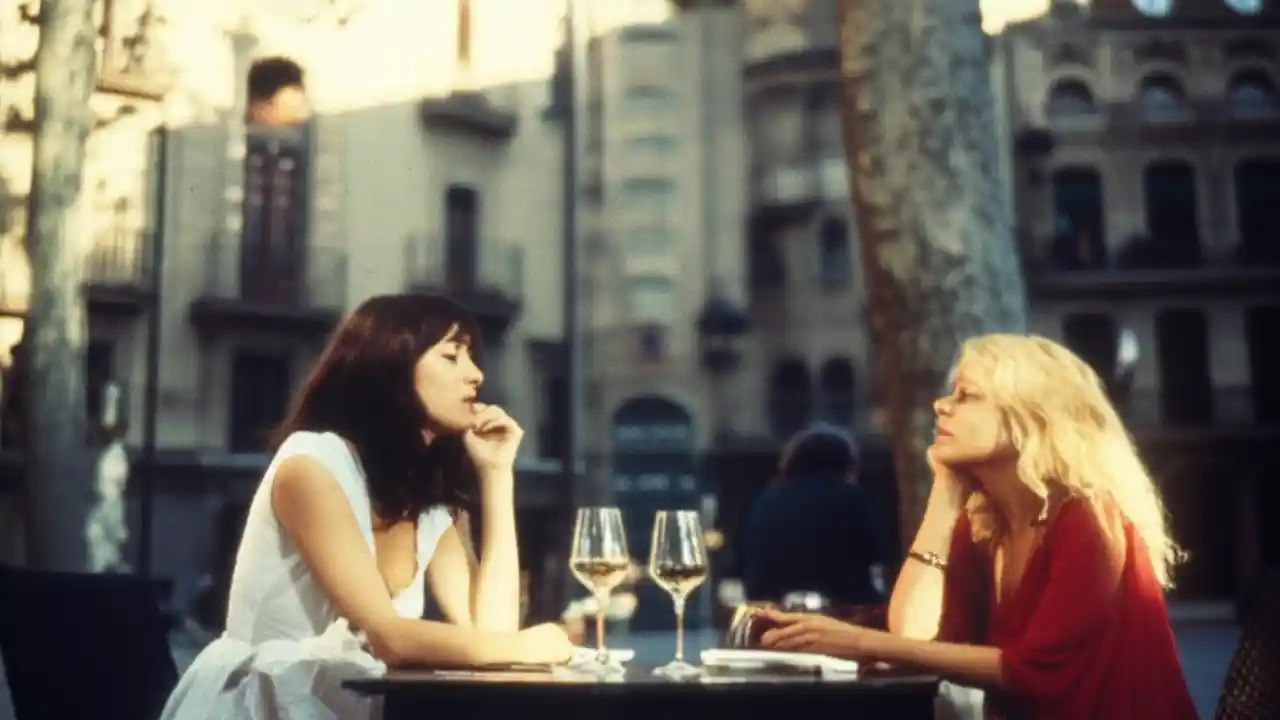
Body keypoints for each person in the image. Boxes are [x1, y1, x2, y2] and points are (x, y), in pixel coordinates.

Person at [161, 293, 574, 719]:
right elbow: (389, 638)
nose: (475, 375)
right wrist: (529, 645)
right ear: (391, 369)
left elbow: (491, 633)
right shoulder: (312, 464)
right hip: (263, 703)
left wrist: (497, 475)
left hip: (351, 705)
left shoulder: (428, 498)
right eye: (452, 356)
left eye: (472, 356)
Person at [759, 334, 1196, 719]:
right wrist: (945, 497)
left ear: (1029, 417)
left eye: (966, 395)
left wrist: (861, 643)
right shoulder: (987, 527)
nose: (941, 404)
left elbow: (1035, 673)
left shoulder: (1089, 517)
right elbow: (916, 632)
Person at [739, 423, 885, 607]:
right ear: (847, 462)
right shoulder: (852, 499)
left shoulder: (765, 501)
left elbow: (746, 559)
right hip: (844, 609)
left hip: (773, 607)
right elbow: (875, 553)